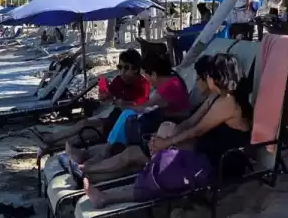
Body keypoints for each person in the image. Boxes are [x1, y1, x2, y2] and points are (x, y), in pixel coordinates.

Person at [84, 53, 252, 207]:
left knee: (164, 166)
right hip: (206, 151)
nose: (204, 78)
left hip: (219, 163)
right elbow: (191, 121)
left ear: (216, 77)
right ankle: (93, 178)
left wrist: (166, 143)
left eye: (207, 75)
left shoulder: (228, 102)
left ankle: (107, 196)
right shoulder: (217, 96)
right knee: (155, 144)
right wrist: (167, 135)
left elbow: (197, 131)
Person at [70, 55, 214, 179]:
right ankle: (90, 163)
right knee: (125, 138)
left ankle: (91, 163)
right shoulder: (174, 78)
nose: (147, 79)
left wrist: (116, 102)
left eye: (147, 75)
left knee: (127, 131)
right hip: (167, 125)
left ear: (154, 74)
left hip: (169, 127)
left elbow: (142, 106)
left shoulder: (169, 86)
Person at [35, 49, 149, 153]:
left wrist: (125, 104)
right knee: (83, 123)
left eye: (126, 68)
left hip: (125, 125)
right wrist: (104, 96)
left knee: (84, 135)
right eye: (120, 67)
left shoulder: (143, 85)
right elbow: (108, 97)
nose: (122, 72)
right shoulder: (119, 81)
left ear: (136, 69)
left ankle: (50, 144)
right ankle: (50, 139)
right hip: (112, 119)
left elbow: (142, 107)